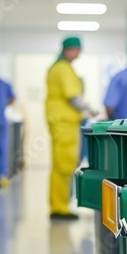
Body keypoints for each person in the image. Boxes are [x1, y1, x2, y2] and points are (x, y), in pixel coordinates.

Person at [45, 36, 88, 221]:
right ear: (68, 49)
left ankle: (59, 205)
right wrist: (90, 110)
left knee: (62, 165)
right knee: (64, 166)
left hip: (64, 121)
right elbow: (73, 97)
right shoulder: (63, 68)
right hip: (64, 122)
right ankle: (59, 208)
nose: (78, 53)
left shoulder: (61, 67)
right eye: (76, 49)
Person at [0, 62, 16, 188]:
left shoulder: (3, 84)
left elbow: (12, 99)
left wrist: (3, 107)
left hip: (0, 120)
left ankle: (0, 177)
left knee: (1, 148)